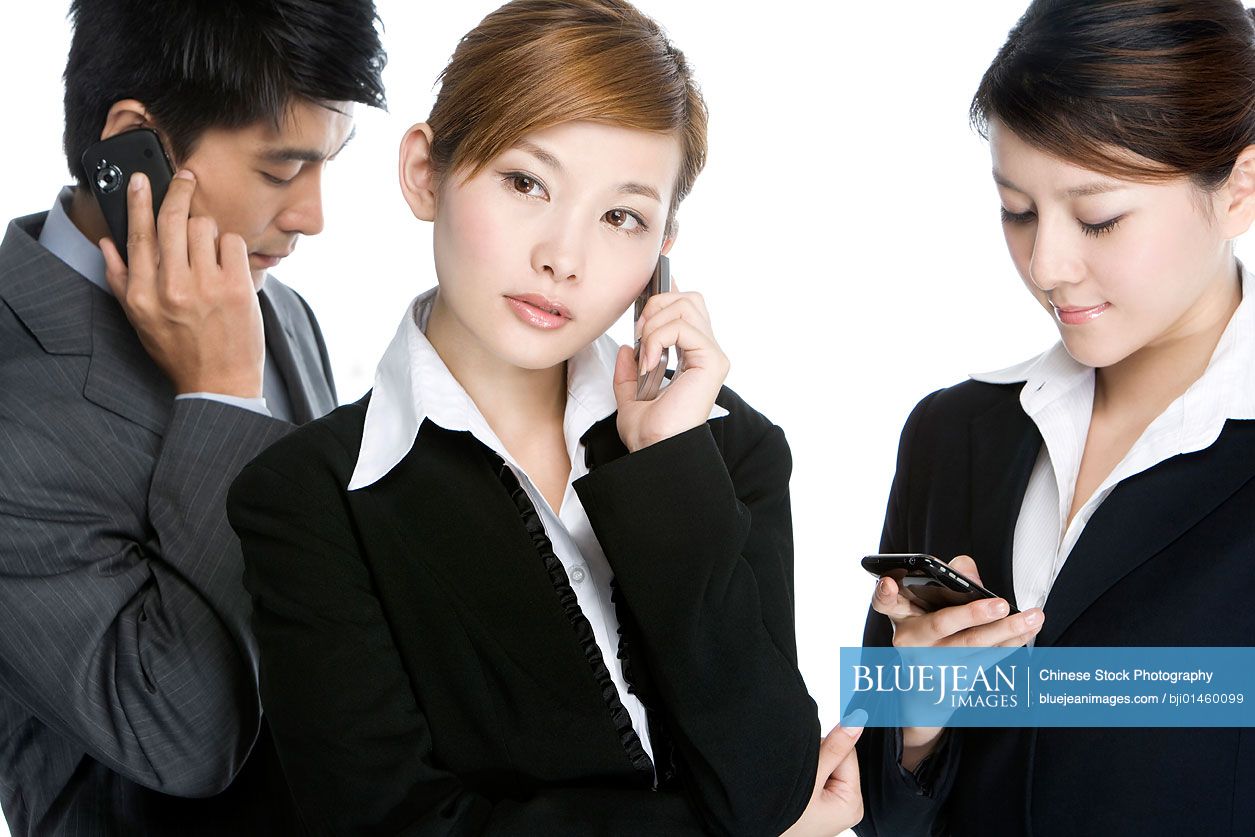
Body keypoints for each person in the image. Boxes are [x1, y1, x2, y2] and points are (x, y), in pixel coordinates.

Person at [226, 1, 864, 834]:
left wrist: (670, 471)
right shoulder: (309, 497)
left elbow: (767, 778)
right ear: (424, 171)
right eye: (526, 182)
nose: (563, 256)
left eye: (620, 217)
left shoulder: (723, 448)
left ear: (662, 248)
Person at [855, 1, 1255, 834]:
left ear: (1238, 189)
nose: (1046, 265)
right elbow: (872, 805)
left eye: (1097, 217)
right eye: (1016, 210)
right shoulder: (953, 433)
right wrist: (915, 723)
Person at [0, 1, 386, 833]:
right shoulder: (11, 408)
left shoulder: (272, 310)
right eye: (282, 170)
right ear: (134, 146)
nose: (312, 215)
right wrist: (219, 393)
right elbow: (184, 739)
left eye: (328, 163)